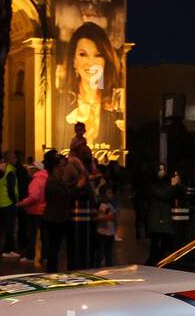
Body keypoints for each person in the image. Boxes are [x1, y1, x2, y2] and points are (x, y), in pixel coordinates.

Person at [57, 21, 124, 153]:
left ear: (106, 60)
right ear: (74, 61)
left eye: (98, 55)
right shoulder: (61, 102)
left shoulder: (116, 103)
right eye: (83, 54)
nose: (91, 62)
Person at [43, 159, 83, 272]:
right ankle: (52, 271)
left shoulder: (59, 180)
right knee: (54, 248)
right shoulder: (52, 182)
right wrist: (78, 186)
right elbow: (65, 195)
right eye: (61, 166)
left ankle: (68, 268)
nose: (63, 168)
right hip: (55, 219)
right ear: (55, 168)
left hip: (62, 218)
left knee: (64, 246)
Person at [17, 153, 51, 265]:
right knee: (44, 236)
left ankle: (30, 256)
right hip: (45, 210)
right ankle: (45, 256)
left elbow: (34, 197)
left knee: (32, 235)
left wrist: (22, 203)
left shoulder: (36, 180)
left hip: (34, 210)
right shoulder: (47, 178)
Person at [146, 164, 180, 264]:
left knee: (166, 243)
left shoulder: (166, 182)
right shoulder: (152, 183)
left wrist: (177, 184)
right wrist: (172, 186)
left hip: (165, 218)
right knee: (156, 244)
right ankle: (153, 263)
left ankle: (162, 262)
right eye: (160, 169)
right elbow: (163, 195)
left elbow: (174, 194)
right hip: (157, 218)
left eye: (164, 169)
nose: (163, 171)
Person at [0, 151, 19, 258]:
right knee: (9, 229)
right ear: (10, 159)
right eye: (14, 157)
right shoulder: (10, 171)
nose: (16, 159)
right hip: (8, 203)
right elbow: (11, 188)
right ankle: (8, 250)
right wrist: (14, 201)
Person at [94, 183, 118, 267]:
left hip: (110, 233)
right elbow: (98, 218)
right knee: (101, 253)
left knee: (109, 253)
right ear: (103, 194)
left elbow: (113, 216)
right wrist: (108, 218)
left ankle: (108, 266)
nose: (111, 195)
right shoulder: (101, 205)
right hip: (102, 233)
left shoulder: (110, 205)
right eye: (109, 193)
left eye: (111, 192)